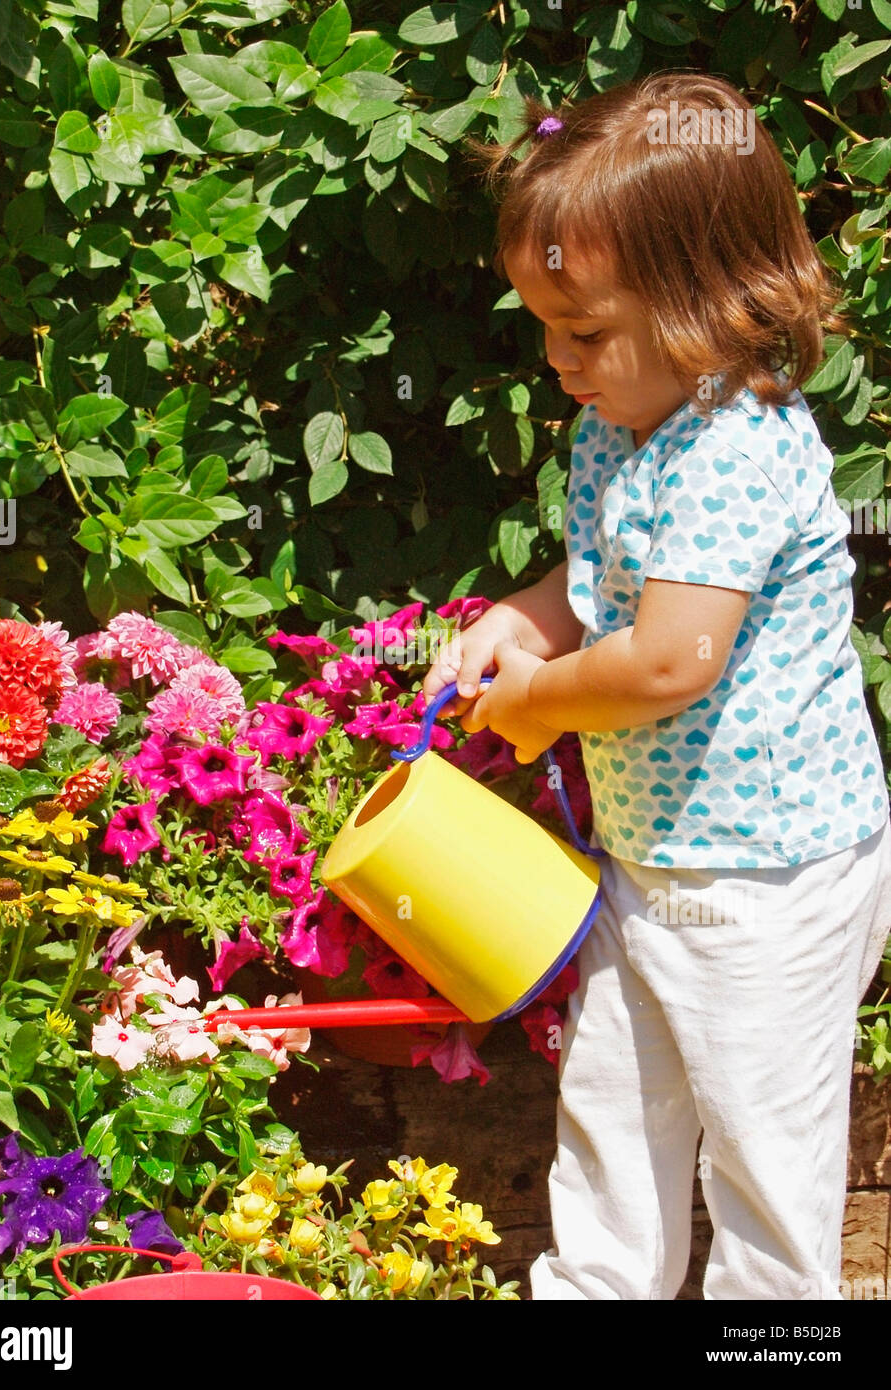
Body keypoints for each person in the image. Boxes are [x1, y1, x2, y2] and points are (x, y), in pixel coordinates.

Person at [421, 73, 891, 1301]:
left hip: (769, 884)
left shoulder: (737, 443)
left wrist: (536, 704)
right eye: (541, 325)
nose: (555, 358)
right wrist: (515, 622)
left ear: (709, 307)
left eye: (582, 330)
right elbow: (607, 589)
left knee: (762, 1164)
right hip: (655, 859)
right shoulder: (620, 424)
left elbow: (671, 657)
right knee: (613, 1131)